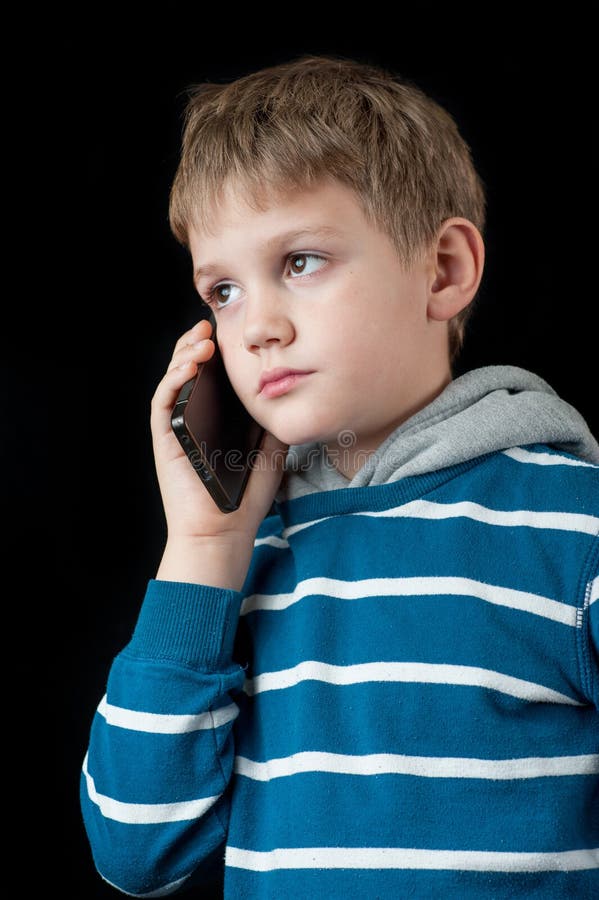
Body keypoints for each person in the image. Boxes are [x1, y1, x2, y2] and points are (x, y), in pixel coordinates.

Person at [80, 55, 599, 898]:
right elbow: (136, 850)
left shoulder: (572, 530)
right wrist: (205, 547)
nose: (257, 328)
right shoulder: (238, 565)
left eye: (300, 262)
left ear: (442, 271)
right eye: (223, 289)